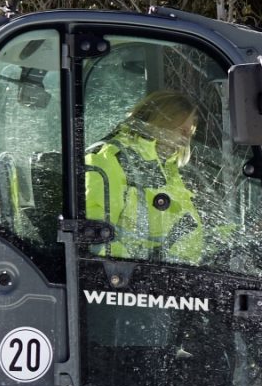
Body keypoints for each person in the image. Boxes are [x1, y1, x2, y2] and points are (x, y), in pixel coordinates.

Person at [84, 89, 206, 263]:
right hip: (126, 282)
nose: (187, 139)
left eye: (190, 133)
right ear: (162, 121)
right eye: (183, 130)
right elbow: (94, 240)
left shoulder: (166, 171)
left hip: (171, 279)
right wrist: (141, 270)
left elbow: (184, 236)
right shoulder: (110, 159)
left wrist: (229, 241)